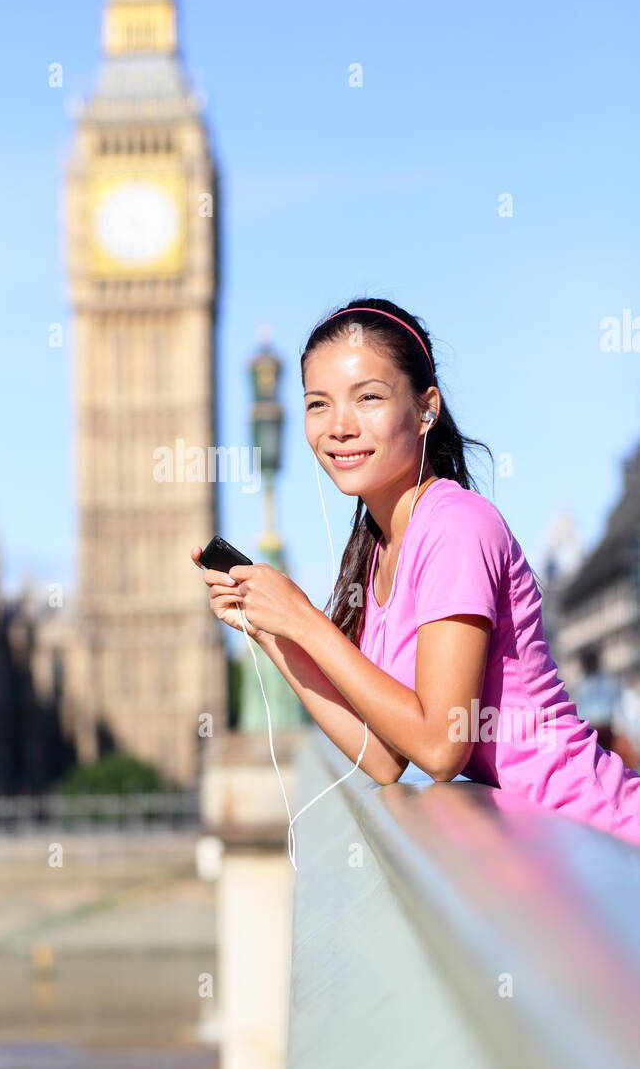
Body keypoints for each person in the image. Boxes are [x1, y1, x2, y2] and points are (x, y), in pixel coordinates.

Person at [191, 297, 640, 847]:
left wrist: (306, 620)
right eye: (318, 405)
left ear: (427, 408)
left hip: (603, 842)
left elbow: (440, 748)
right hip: (539, 854)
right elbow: (381, 756)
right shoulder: (378, 551)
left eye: (369, 398)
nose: (339, 427)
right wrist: (269, 630)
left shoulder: (455, 526)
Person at [574, 647, 640, 773]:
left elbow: (622, 708)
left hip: (609, 730)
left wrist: (630, 733)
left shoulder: (608, 681)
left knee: (627, 765)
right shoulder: (581, 686)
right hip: (593, 733)